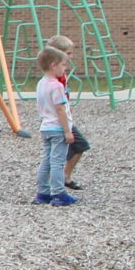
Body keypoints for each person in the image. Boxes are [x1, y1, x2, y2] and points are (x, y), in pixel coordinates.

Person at [44, 34, 91, 189]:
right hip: (59, 123)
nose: (71, 57)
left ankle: (58, 179)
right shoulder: (55, 80)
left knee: (57, 154)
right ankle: (59, 182)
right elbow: (58, 106)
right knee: (78, 146)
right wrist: (66, 128)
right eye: (68, 53)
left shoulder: (58, 76)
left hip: (61, 121)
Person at [32, 46, 76, 206]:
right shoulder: (56, 86)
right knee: (57, 162)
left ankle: (42, 192)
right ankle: (58, 192)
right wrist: (67, 131)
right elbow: (60, 109)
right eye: (63, 65)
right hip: (58, 128)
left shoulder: (41, 83)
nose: (65, 68)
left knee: (46, 161)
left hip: (46, 127)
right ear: (54, 65)